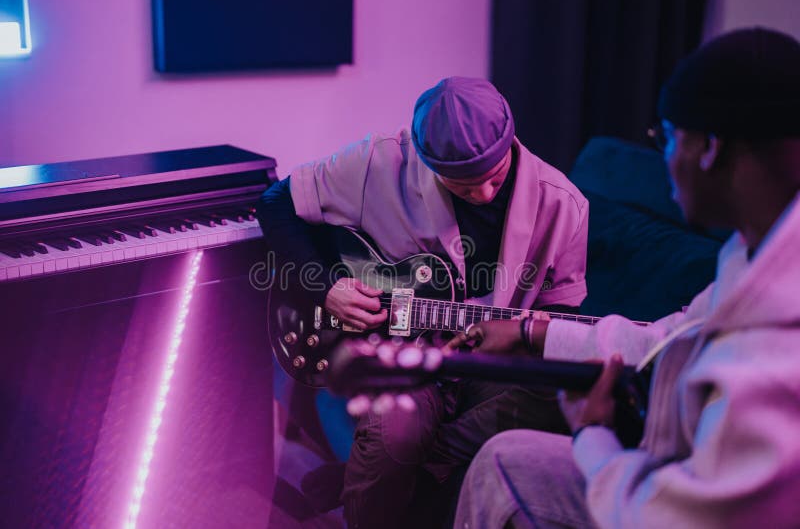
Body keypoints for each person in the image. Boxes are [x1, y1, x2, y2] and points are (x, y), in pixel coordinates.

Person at [449, 28, 800, 528]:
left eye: (667, 138)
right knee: (504, 459)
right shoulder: (755, 251)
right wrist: (531, 330)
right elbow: (668, 338)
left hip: (671, 505)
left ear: (710, 149)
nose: (665, 159)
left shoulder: (774, 356)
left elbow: (665, 518)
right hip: (676, 482)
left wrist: (593, 434)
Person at [257, 76, 589, 527]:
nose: (485, 195)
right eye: (464, 187)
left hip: (493, 366)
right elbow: (275, 204)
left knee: (561, 395)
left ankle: (374, 471)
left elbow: (562, 321)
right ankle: (379, 469)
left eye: (494, 178)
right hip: (404, 361)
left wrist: (520, 335)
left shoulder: (565, 205)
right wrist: (329, 287)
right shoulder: (380, 161)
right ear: (425, 161)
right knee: (393, 428)